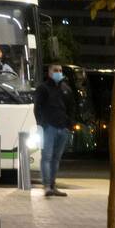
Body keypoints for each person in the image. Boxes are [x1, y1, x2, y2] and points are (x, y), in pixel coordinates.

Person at [33, 63, 75, 197]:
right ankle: (46, 186)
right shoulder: (43, 88)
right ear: (49, 72)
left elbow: (72, 108)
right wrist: (41, 124)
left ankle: (52, 185)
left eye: (60, 70)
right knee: (47, 157)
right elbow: (37, 107)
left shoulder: (66, 89)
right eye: (55, 70)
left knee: (56, 158)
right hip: (49, 128)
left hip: (63, 128)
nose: (58, 72)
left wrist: (69, 125)